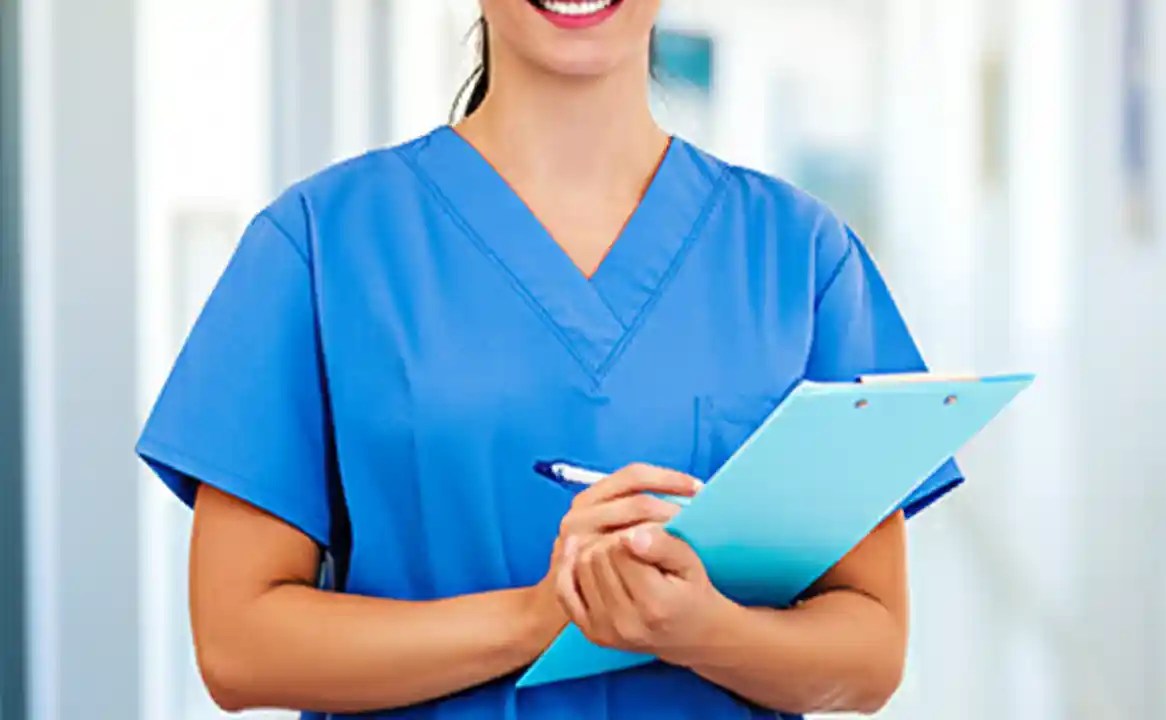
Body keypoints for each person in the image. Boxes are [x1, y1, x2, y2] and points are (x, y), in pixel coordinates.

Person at [137, 0, 962, 717]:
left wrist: (706, 631)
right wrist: (543, 618)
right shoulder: (321, 243)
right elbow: (239, 645)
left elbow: (869, 651)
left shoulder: (799, 256)